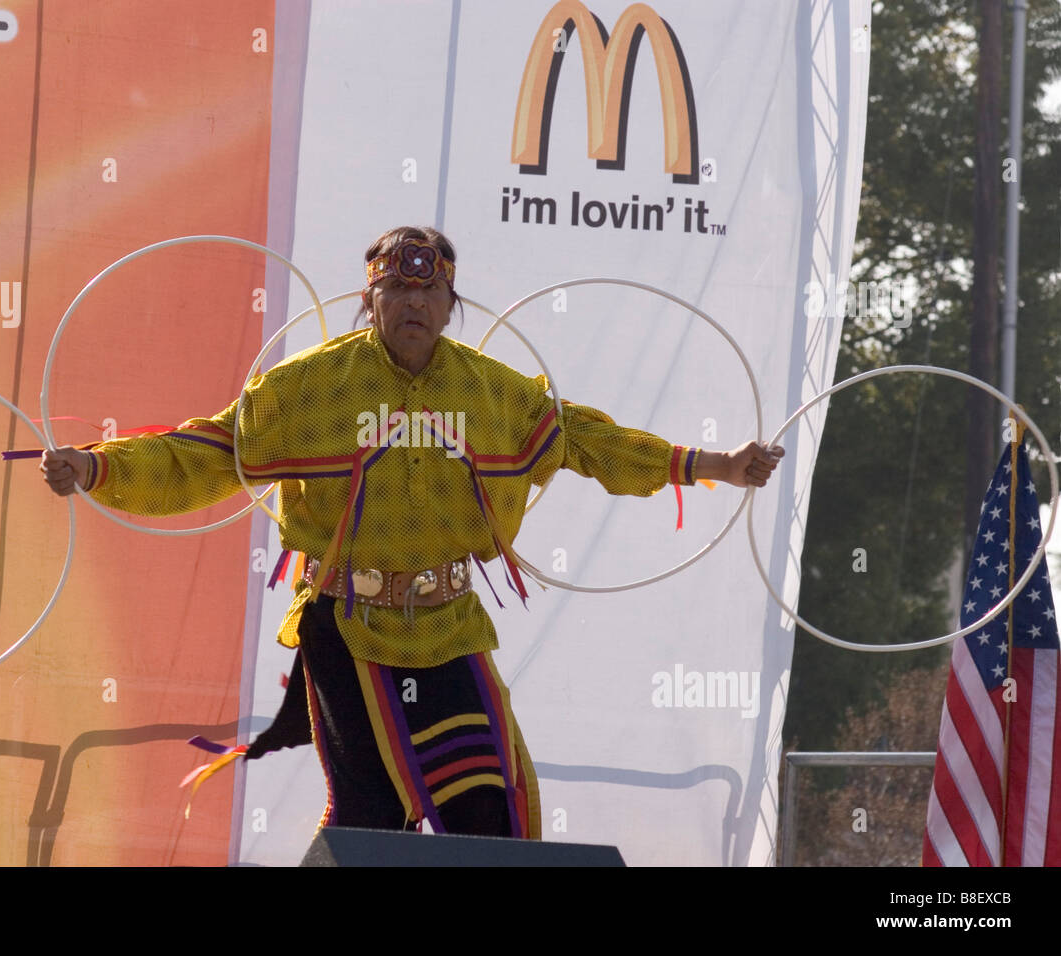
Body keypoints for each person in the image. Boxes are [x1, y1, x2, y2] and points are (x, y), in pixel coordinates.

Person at [41, 225, 784, 840]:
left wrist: (716, 462)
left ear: (451, 302)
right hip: (347, 624)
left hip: (449, 625)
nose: (413, 304)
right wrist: (97, 466)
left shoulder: (494, 393)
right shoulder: (305, 390)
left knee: (490, 816)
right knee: (371, 817)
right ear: (370, 301)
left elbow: (591, 441)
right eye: (396, 289)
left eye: (428, 291)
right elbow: (203, 452)